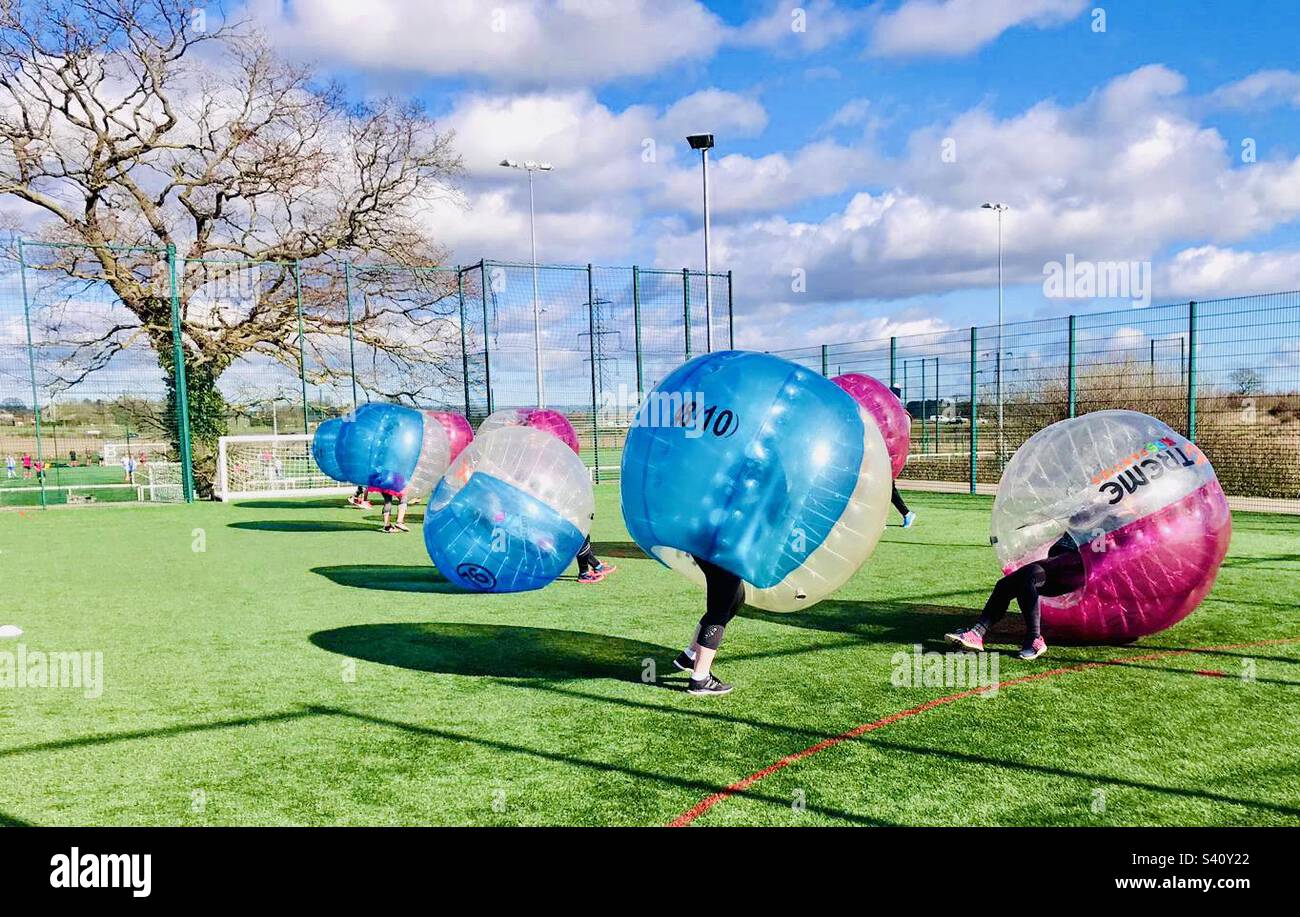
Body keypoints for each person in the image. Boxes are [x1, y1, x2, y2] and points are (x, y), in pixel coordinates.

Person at [945, 531, 1085, 660]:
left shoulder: (1103, 515)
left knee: (1029, 575)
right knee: (1005, 585)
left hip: (1078, 565)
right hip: (1059, 561)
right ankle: (978, 632)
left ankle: (1034, 638)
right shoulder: (1085, 510)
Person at [672, 557, 745, 696]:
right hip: (721, 547)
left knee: (736, 598)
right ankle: (700, 679)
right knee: (720, 609)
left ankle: (689, 657)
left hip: (716, 543)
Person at [889, 385, 917, 529]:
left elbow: (903, 437)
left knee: (888, 486)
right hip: (887, 454)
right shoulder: (890, 413)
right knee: (887, 486)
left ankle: (907, 514)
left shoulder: (904, 416)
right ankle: (905, 514)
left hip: (894, 456)